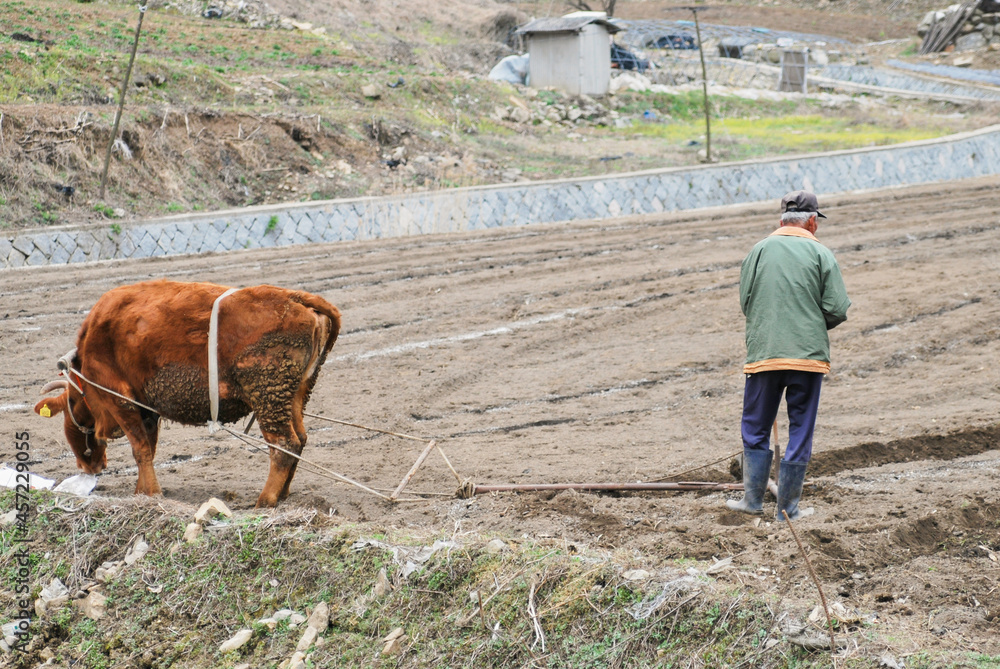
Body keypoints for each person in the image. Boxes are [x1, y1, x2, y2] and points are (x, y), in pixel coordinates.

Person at [726, 190, 851, 521]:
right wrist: (808, 322)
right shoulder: (820, 253)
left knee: (755, 427)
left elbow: (745, 302)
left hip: (764, 354)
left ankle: (751, 503)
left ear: (781, 220)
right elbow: (837, 308)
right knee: (800, 430)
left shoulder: (758, 250)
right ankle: (788, 509)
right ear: (812, 221)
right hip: (807, 358)